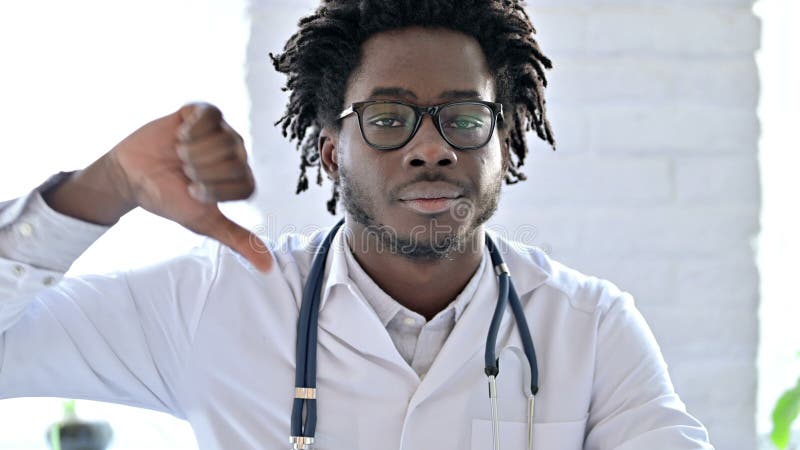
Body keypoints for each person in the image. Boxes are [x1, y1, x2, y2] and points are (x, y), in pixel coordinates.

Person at [0, 1, 714, 449]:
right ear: (331, 150)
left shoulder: (590, 327)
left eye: (465, 118)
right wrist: (106, 186)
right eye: (389, 118)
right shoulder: (213, 304)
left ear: (505, 142)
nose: (430, 146)